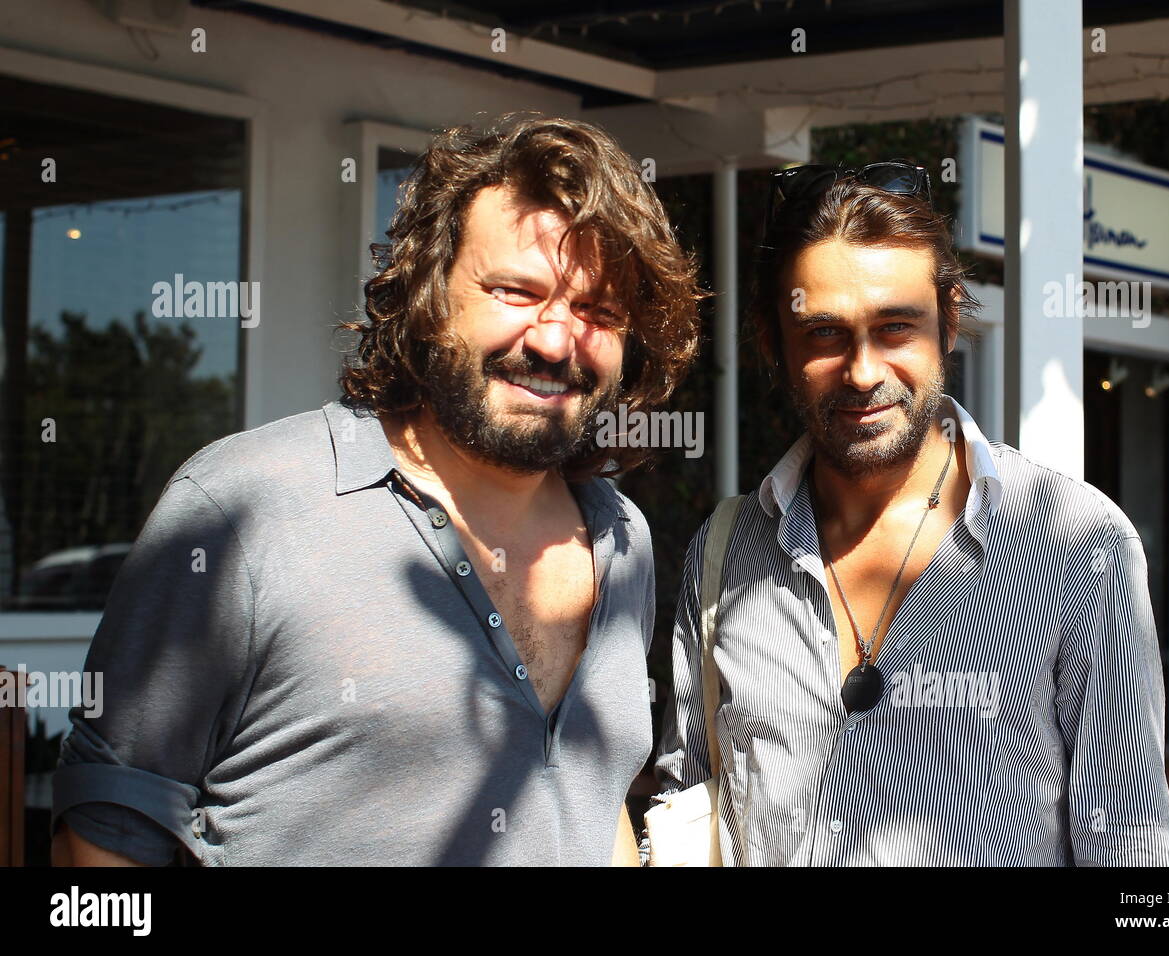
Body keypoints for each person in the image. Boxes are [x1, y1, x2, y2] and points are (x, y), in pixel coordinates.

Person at [51, 113, 701, 866]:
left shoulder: (621, 539)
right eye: (517, 292)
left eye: (598, 311)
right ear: (428, 294)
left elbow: (590, 802)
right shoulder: (242, 513)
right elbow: (103, 843)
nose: (557, 340)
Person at [653, 162, 1169, 866]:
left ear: (950, 320)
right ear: (771, 342)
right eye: (824, 334)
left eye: (896, 327)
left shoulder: (1081, 548)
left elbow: (1130, 845)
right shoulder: (722, 559)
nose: (864, 371)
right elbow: (685, 811)